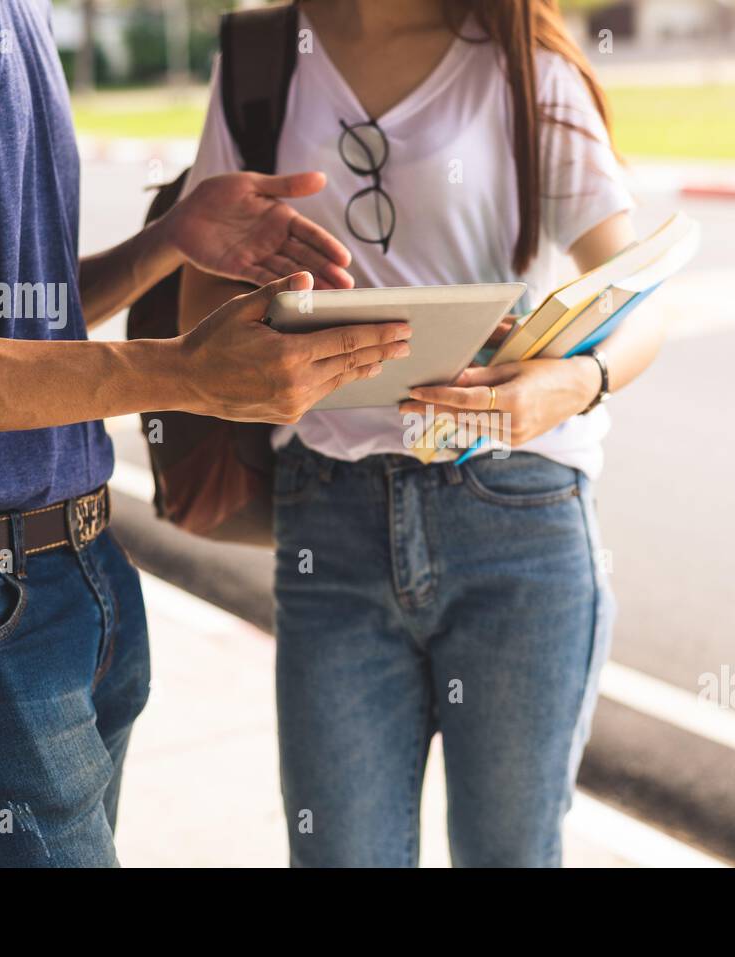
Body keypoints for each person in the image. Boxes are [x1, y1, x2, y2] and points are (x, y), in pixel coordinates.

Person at [0, 0, 409, 867]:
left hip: (83, 574)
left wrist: (165, 244)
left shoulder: (25, 11)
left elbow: (2, 320)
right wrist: (178, 373)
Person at [179, 0, 674, 866]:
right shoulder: (261, 56)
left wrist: (575, 381)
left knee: (509, 855)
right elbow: (200, 302)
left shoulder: (525, 66)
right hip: (326, 524)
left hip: (517, 514)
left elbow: (638, 296)